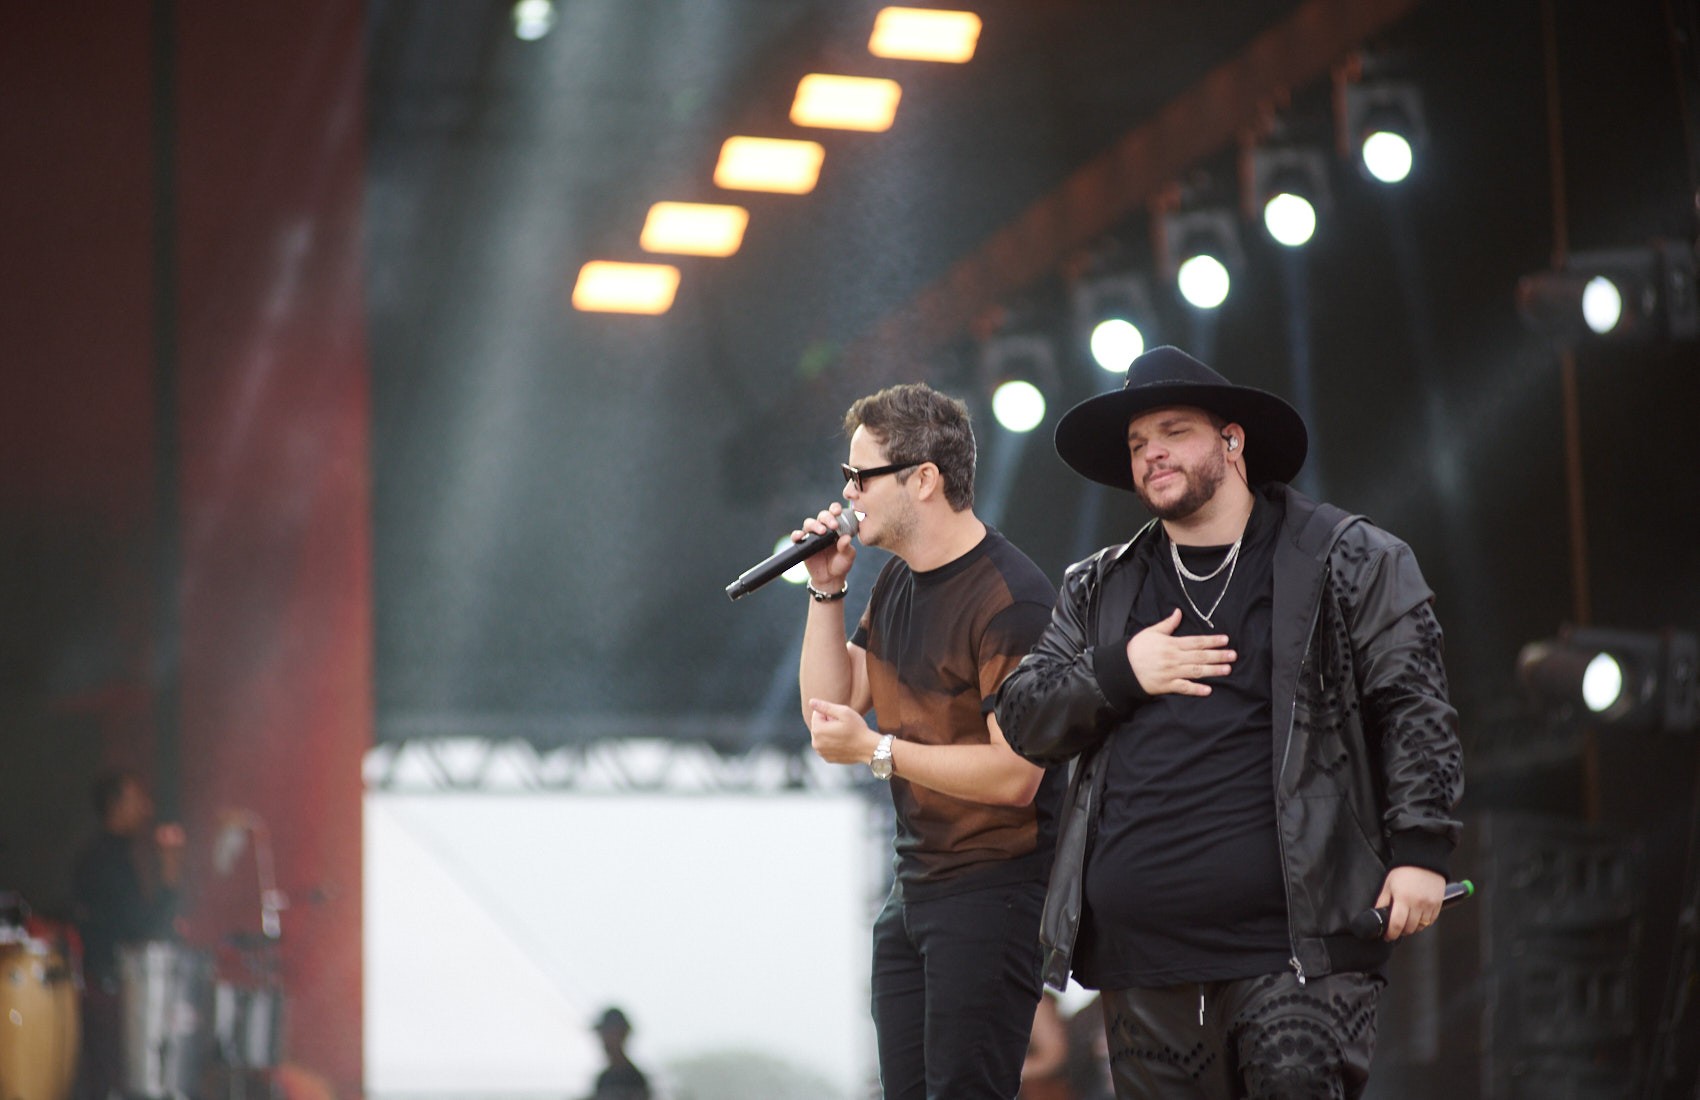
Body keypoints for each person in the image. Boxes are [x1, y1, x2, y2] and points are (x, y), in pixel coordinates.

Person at [994, 346, 1465, 1099]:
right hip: (1141, 955)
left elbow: (1413, 704)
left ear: (1232, 441)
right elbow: (1022, 716)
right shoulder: (1101, 586)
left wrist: (1421, 848)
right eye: (1137, 443)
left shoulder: (1350, 558)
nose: (1151, 453)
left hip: (1296, 945)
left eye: (1173, 431)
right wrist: (1122, 670)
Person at [795, 381, 1063, 1099]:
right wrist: (826, 590)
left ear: (922, 479)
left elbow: (1017, 776)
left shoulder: (1011, 599)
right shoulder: (898, 587)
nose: (848, 494)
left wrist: (878, 752)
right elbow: (829, 710)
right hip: (915, 889)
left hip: (993, 891)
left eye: (861, 477)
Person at [69, 768, 185, 1100]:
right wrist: (170, 879)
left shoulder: (106, 855)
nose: (146, 808)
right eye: (137, 799)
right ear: (115, 804)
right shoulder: (106, 861)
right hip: (109, 989)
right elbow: (144, 929)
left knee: (107, 1079)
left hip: (105, 984)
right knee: (116, 1081)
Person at [586, 1006, 650, 1100]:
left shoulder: (635, 1079)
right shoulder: (604, 1080)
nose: (605, 1039)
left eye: (611, 1033)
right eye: (603, 1033)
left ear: (623, 1035)